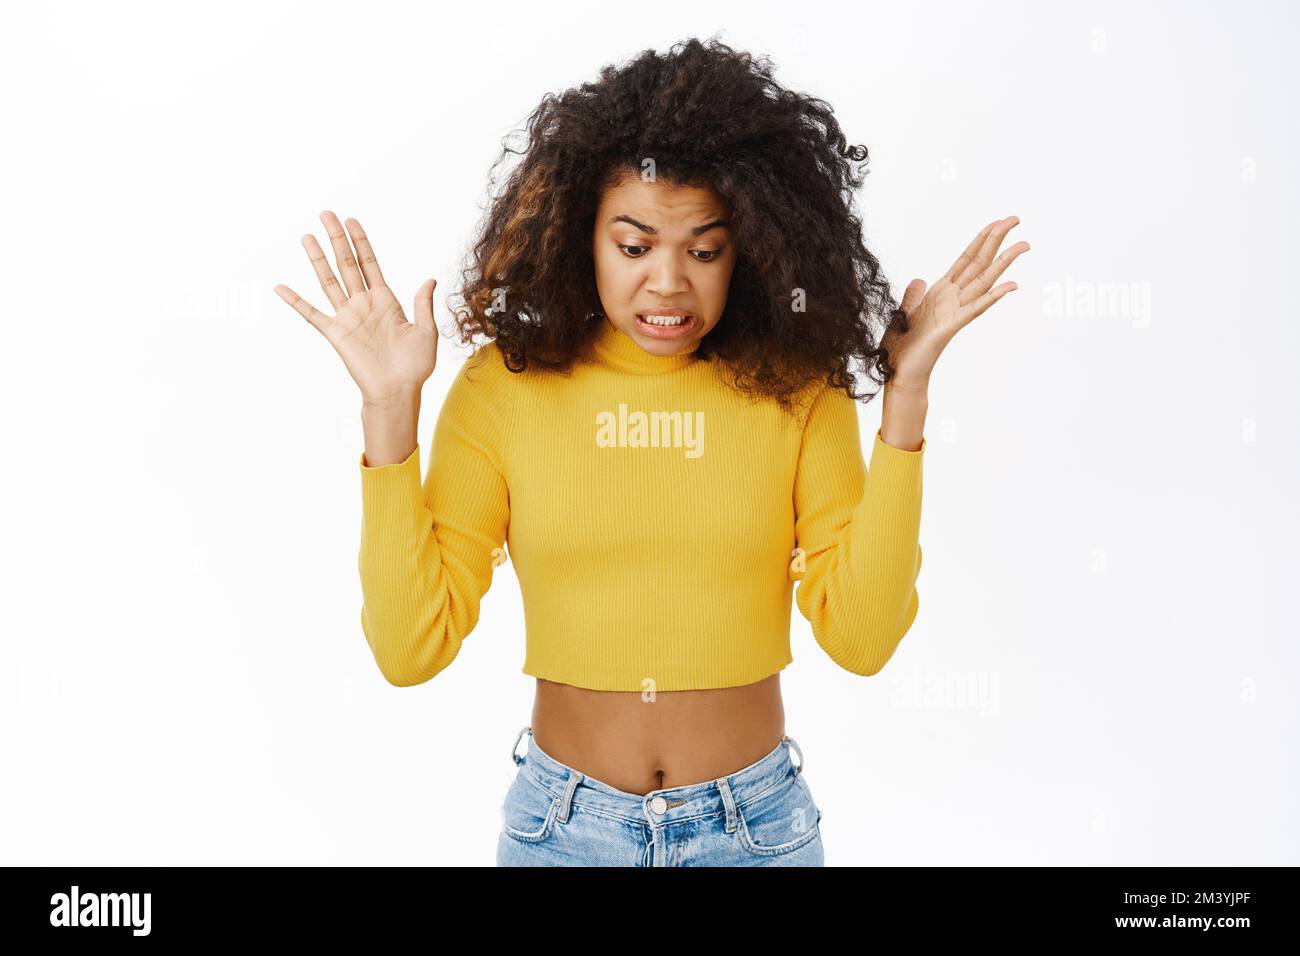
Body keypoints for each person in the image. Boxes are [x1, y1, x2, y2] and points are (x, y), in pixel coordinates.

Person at [273, 37, 1028, 866]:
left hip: (756, 833)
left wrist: (906, 400)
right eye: (634, 247)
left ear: (752, 244)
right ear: (579, 238)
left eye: (704, 250)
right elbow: (410, 649)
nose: (669, 283)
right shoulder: (504, 390)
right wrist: (389, 410)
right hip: (563, 833)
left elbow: (863, 638)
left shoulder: (796, 390)